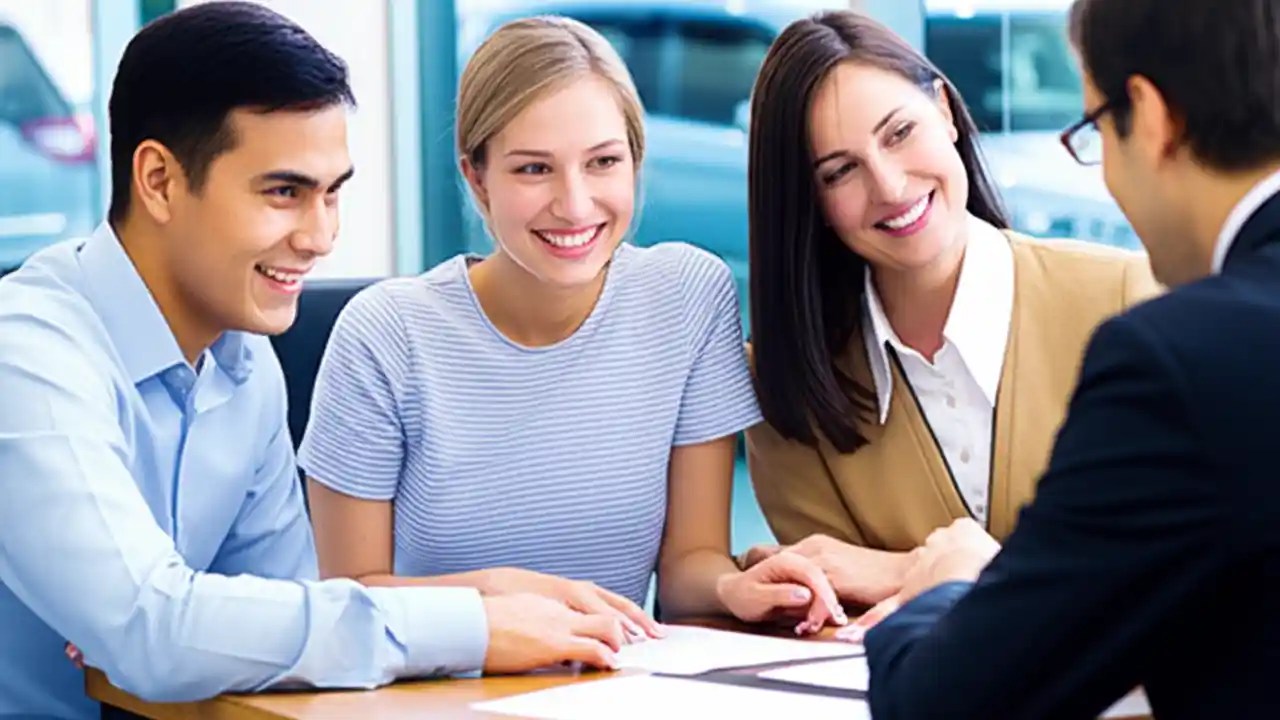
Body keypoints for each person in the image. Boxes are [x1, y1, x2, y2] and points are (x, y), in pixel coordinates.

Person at [0, 5, 628, 719]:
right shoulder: (26, 355)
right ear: (159, 181)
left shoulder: (245, 364)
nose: (321, 235)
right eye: (284, 192)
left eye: (333, 193)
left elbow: (286, 615)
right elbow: (151, 631)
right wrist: (474, 627)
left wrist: (487, 594)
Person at [298, 15, 844, 639]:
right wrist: (496, 594)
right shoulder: (385, 334)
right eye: (534, 169)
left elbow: (690, 568)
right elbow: (348, 603)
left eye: (603, 162)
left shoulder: (688, 297)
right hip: (444, 692)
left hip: (612, 684)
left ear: (636, 160)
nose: (576, 204)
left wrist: (731, 587)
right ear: (476, 176)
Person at [861, 0, 1280, 717]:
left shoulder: (1176, 360)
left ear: (1148, 117)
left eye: (1093, 130)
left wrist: (952, 584)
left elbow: (947, 702)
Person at [741, 9, 1159, 611]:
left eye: (898, 133)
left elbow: (1177, 566)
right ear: (809, 200)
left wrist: (915, 571)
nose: (888, 185)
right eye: (840, 171)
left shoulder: (1124, 298)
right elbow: (833, 622)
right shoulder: (790, 388)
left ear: (943, 109)